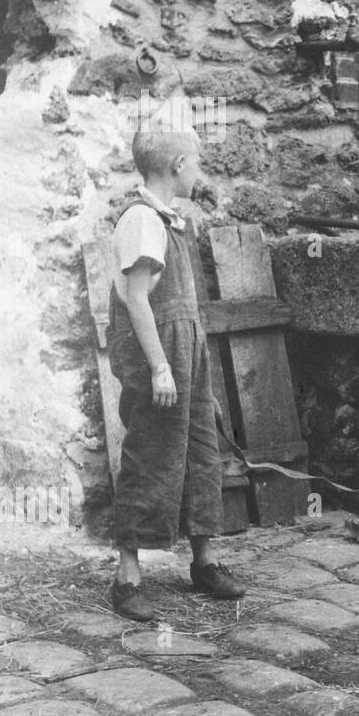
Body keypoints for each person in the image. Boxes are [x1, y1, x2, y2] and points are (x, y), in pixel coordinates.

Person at [106, 127, 245, 620]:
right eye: (198, 164)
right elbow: (136, 297)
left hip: (188, 350)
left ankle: (204, 562)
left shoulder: (170, 219)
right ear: (178, 165)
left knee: (201, 449)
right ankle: (127, 576)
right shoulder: (142, 220)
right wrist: (161, 368)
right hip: (160, 355)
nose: (200, 172)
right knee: (154, 455)